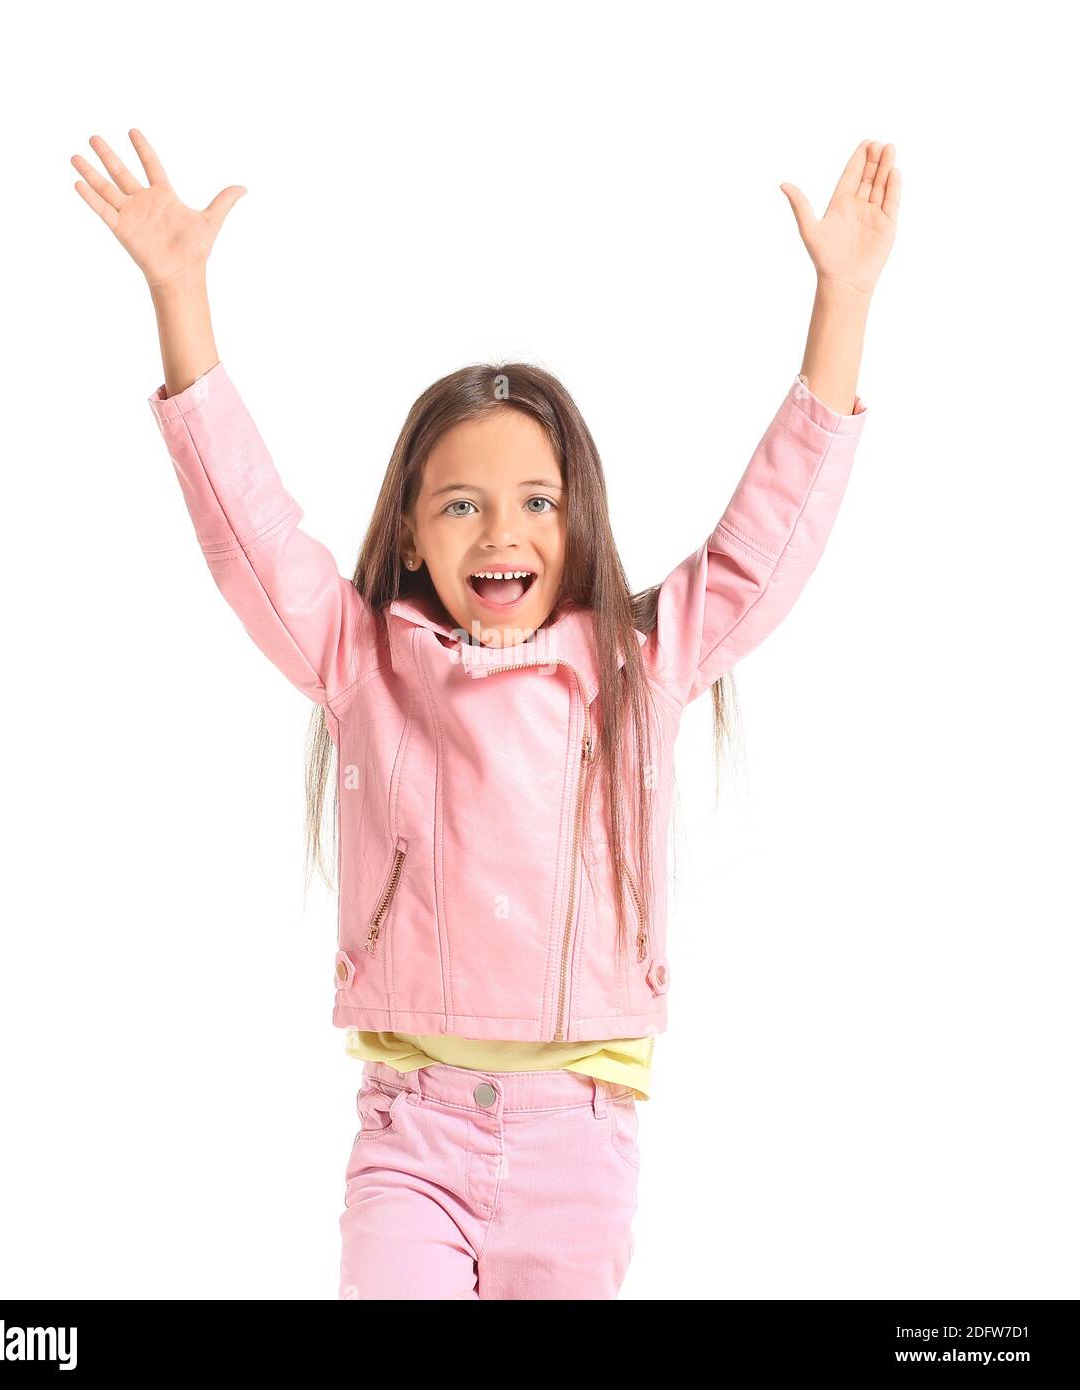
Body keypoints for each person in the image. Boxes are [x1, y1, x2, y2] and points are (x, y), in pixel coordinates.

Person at [71, 129, 898, 1299]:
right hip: (414, 1137)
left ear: (578, 525)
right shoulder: (360, 659)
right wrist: (179, 296)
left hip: (582, 1142)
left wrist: (844, 300)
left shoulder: (639, 663)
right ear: (411, 534)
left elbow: (766, 542)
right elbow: (245, 529)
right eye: (459, 505)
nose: (499, 532)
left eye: (533, 504)